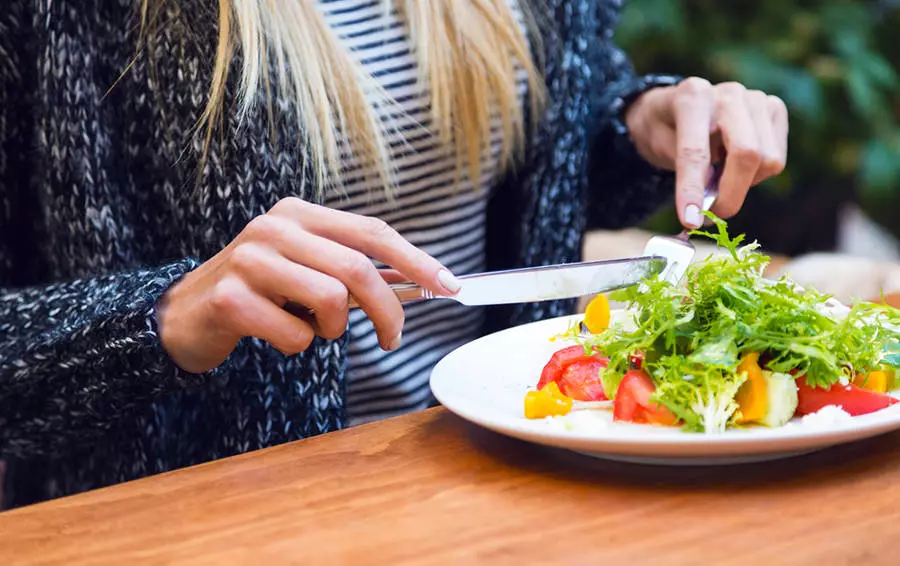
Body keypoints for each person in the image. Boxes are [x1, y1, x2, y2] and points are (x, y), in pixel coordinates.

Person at [0, 0, 787, 508]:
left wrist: (642, 125)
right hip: (220, 529)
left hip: (523, 490)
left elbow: (543, 159)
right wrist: (159, 319)